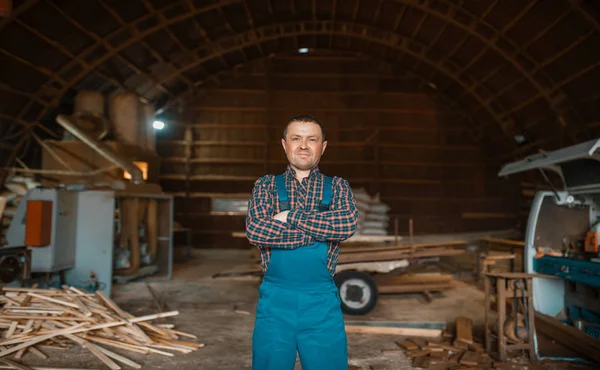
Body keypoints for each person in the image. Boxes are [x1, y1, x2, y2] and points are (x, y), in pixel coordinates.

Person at [245, 115, 359, 370]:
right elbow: (256, 231)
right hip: (275, 302)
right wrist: (320, 229)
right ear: (285, 144)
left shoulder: (338, 187)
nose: (304, 145)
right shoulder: (265, 186)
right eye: (296, 138)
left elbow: (346, 225)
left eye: (312, 139)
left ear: (323, 146)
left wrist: (290, 217)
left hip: (321, 303)